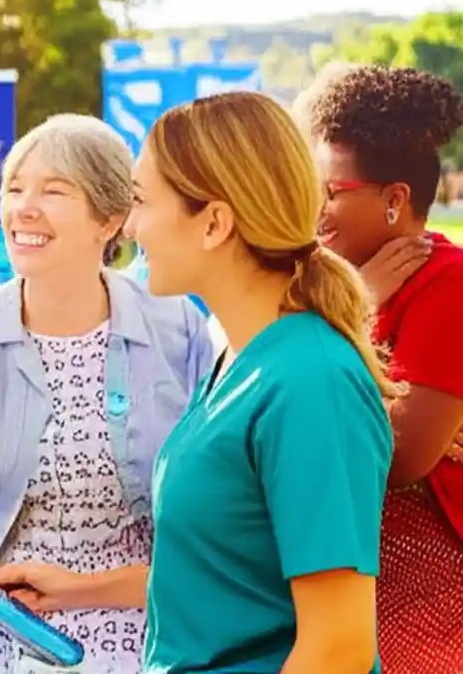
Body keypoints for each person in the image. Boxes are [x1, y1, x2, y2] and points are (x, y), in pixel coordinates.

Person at [0, 114, 213, 674]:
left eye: (53, 190)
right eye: (14, 189)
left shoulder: (176, 326)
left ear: (110, 218)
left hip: (151, 619)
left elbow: (212, 501)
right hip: (5, 628)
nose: (24, 208)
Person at [127, 91, 394, 674]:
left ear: (214, 222)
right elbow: (233, 579)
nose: (130, 226)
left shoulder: (310, 380)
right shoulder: (240, 360)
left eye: (141, 203)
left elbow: (338, 649)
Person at [298, 64, 463, 672]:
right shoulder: (332, 282)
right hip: (348, 576)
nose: (314, 210)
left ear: (395, 200)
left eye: (331, 192)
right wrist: (355, 304)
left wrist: (352, 323)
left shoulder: (447, 284)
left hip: (426, 588)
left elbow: (398, 458)